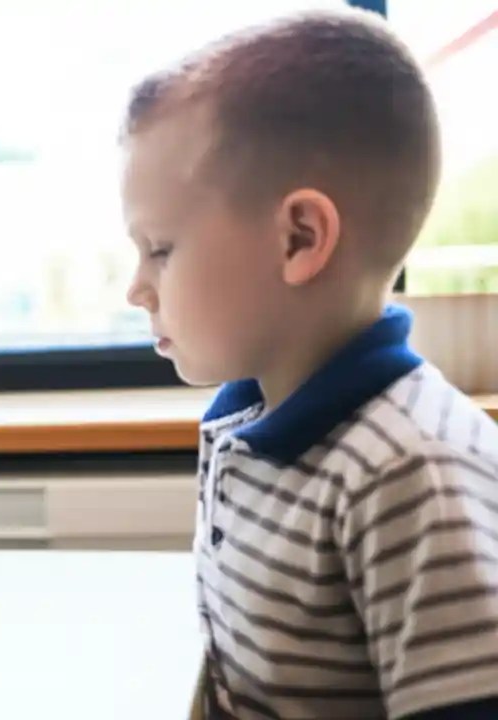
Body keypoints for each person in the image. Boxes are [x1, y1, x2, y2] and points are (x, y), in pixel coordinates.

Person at [120, 8, 498, 719]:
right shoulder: (251, 419)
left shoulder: (409, 475)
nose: (136, 287)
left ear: (299, 238)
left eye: (160, 249)